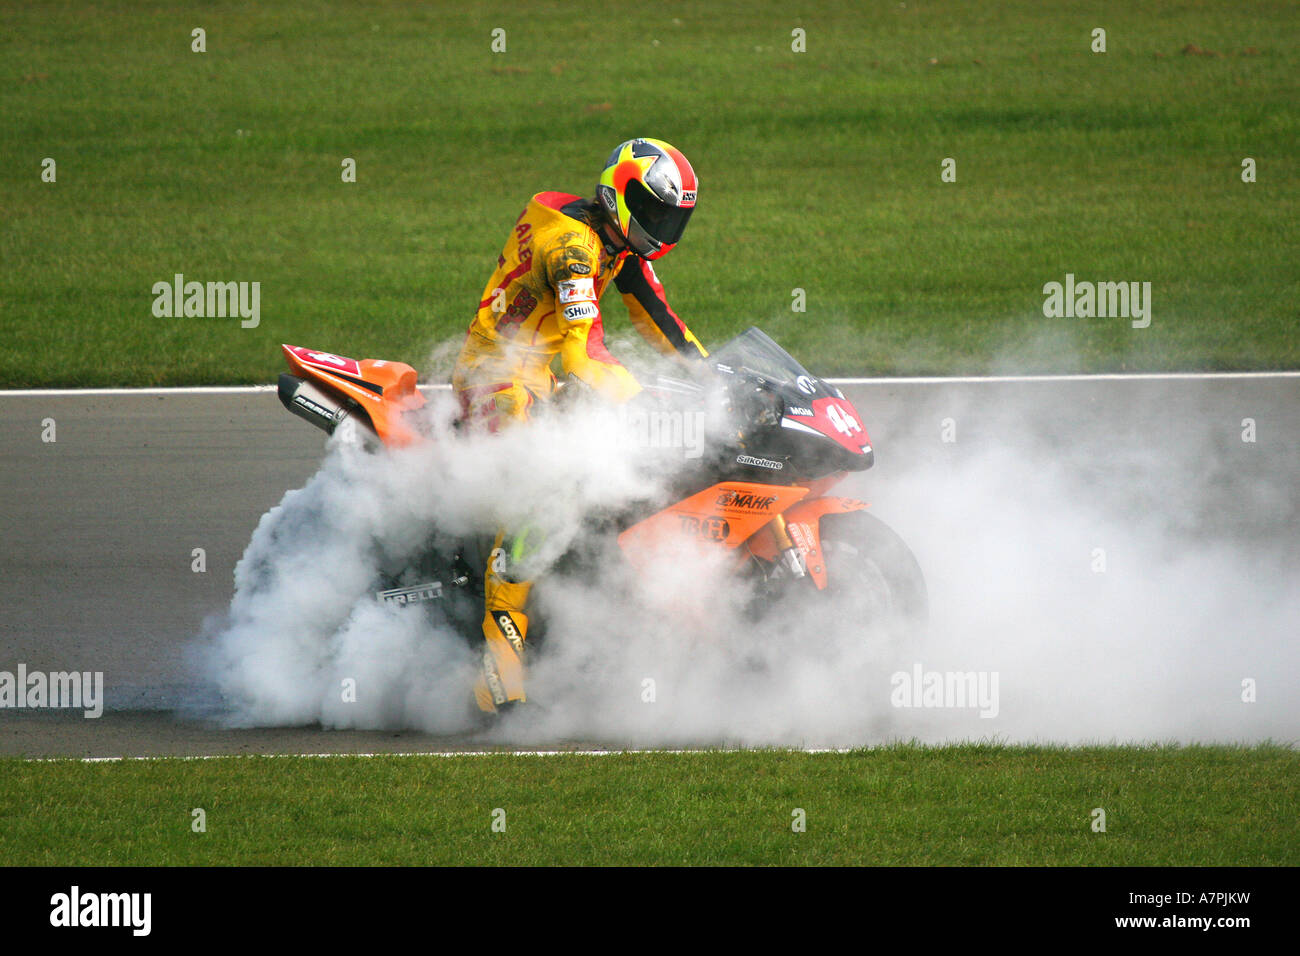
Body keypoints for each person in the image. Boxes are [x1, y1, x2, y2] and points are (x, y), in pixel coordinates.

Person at [452, 137, 707, 713]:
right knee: (545, 492)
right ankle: (497, 675)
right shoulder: (573, 249)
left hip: (542, 376)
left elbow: (661, 320)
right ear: (620, 194)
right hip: (499, 378)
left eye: (672, 217)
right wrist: (644, 401)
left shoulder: (613, 241)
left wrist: (718, 383)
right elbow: (583, 353)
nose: (661, 226)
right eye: (653, 210)